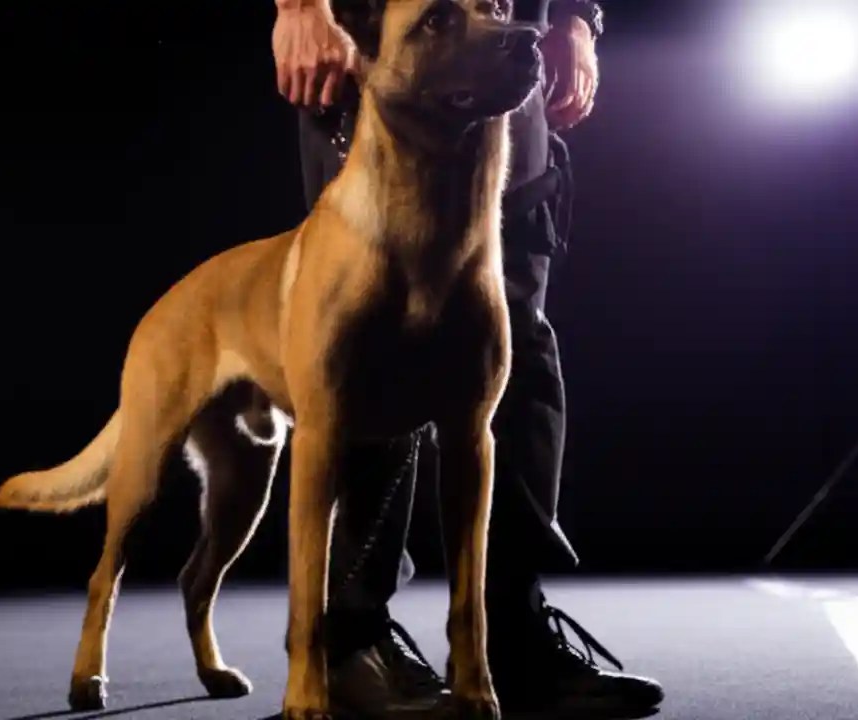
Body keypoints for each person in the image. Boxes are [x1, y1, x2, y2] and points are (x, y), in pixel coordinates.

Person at [270, 0, 667, 716]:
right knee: (364, 369)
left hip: (511, 46)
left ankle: (508, 638)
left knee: (517, 354)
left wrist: (575, 19)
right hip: (381, 48)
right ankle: (354, 645)